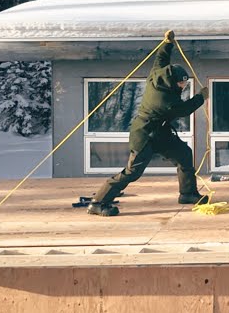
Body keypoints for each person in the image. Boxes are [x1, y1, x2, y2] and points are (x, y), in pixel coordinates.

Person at [88, 30, 208, 216]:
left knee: (184, 154)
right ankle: (98, 202)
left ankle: (188, 194)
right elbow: (184, 109)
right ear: (172, 82)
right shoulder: (165, 101)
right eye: (181, 84)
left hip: (161, 133)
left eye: (185, 84)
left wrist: (167, 43)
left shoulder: (157, 75)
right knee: (132, 172)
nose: (183, 87)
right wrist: (201, 97)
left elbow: (161, 59)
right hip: (144, 134)